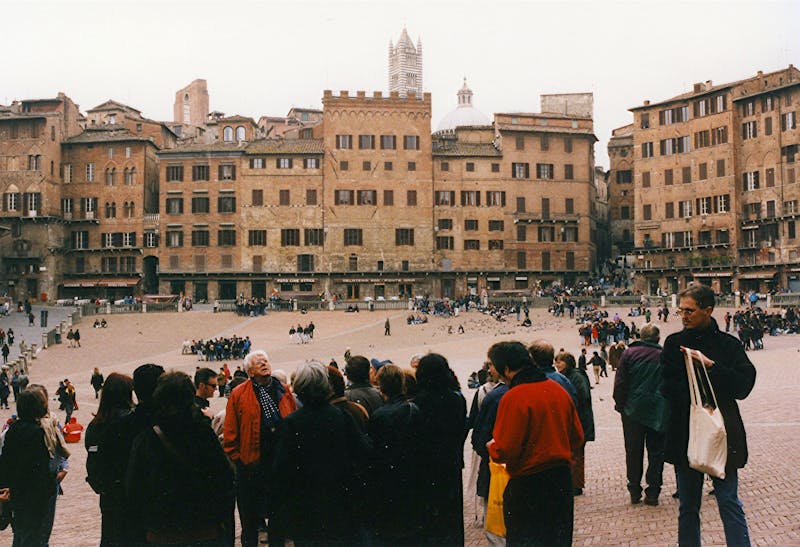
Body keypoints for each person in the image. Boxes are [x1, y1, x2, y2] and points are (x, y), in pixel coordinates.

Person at [661, 284, 756, 546]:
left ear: (708, 310)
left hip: (722, 434)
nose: (684, 316)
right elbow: (667, 386)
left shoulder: (729, 345)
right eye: (681, 311)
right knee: (688, 507)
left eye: (690, 311)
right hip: (686, 433)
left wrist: (712, 369)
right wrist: (698, 398)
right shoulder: (673, 344)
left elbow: (744, 385)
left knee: (728, 501)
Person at [488, 341, 584, 547]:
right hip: (560, 480)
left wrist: (491, 447)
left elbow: (505, 449)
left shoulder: (513, 397)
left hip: (527, 483)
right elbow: (577, 437)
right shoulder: (558, 390)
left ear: (506, 369)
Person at [127, 371, 234, 546]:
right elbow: (225, 478)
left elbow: (134, 489)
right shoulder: (203, 433)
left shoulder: (147, 438)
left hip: (163, 533)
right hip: (204, 530)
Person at [271, 361, 368, 546]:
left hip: (306, 509)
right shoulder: (342, 416)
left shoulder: (291, 423)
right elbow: (363, 453)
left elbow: (281, 470)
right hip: (340, 505)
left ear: (299, 388)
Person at [223, 350, 297, 547]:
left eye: (265, 360)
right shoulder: (239, 394)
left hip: (279, 465)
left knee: (278, 519)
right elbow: (230, 432)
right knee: (249, 523)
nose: (264, 363)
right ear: (250, 371)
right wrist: (239, 459)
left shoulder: (283, 390)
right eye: (258, 362)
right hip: (250, 467)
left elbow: (293, 421)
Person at [613, 323, 669, 506]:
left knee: (633, 451)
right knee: (656, 452)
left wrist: (620, 404)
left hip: (632, 410)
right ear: (658, 338)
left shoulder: (629, 353)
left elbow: (620, 382)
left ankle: (634, 488)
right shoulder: (664, 355)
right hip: (658, 410)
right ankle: (653, 491)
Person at [368, 363, 425, 544]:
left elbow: (374, 452)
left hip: (387, 481)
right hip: (412, 478)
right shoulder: (413, 410)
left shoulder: (379, 415)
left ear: (381, 385)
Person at [414, 353, 467, 545]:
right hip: (451, 462)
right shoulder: (456, 398)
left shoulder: (419, 401)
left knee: (430, 518)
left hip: (426, 467)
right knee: (451, 514)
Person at [0, 390, 56, 546]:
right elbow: (41, 468)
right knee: (34, 536)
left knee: (20, 534)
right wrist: (51, 484)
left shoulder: (13, 430)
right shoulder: (37, 431)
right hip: (34, 495)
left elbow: (5, 461)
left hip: (16, 493)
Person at [85, 373, 134, 546]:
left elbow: (92, 455)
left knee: (110, 534)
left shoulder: (95, 425)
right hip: (131, 492)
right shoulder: (131, 420)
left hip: (108, 492)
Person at [555, 351, 595, 496]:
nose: (557, 365)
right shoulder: (566, 376)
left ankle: (576, 485)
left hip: (580, 420)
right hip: (576, 420)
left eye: (560, 362)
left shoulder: (576, 376)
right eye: (556, 362)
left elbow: (582, 396)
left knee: (577, 454)